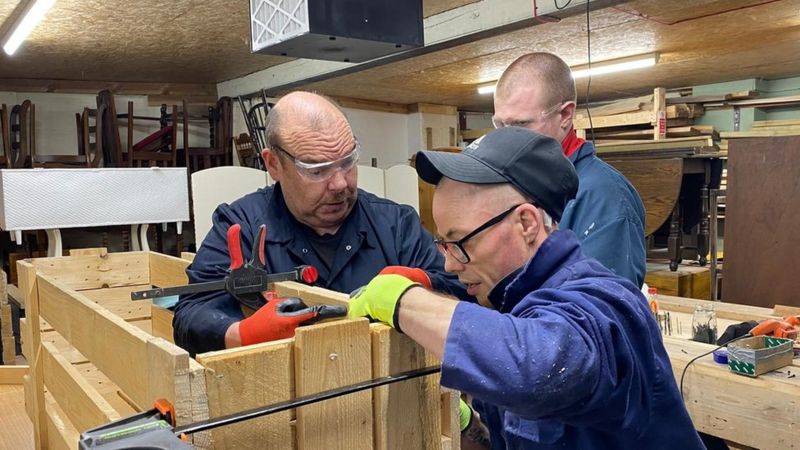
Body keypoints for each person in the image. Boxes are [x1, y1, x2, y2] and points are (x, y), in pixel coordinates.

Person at [348, 127, 704, 449]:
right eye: (443, 243)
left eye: (460, 242)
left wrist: (403, 301)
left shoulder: (606, 304)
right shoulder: (509, 311)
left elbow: (537, 365)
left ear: (526, 224)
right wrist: (467, 425)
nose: (449, 265)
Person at [173, 91, 465, 356]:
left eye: (348, 162)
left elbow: (462, 294)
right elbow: (189, 317)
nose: (340, 183)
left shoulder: (397, 225)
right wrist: (245, 334)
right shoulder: (241, 226)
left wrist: (423, 286)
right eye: (317, 170)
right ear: (274, 164)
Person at [492, 52, 646, 287]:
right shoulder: (521, 184)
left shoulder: (603, 197)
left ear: (565, 115)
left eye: (521, 124)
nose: (507, 138)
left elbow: (603, 309)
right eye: (500, 125)